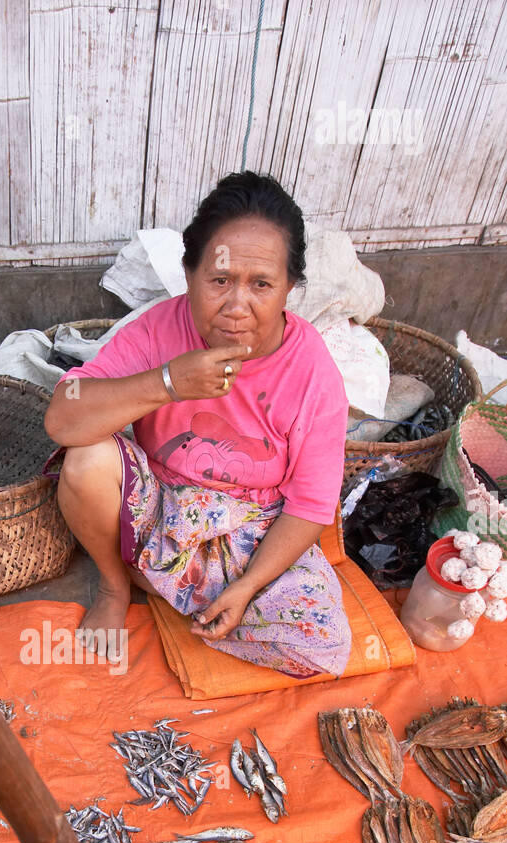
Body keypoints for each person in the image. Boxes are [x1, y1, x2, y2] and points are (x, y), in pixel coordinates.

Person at [43, 171, 352, 679]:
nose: (236, 307)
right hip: (157, 505)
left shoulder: (313, 372)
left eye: (261, 285)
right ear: (189, 275)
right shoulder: (159, 328)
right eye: (220, 280)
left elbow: (312, 506)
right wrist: (167, 382)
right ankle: (118, 584)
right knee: (86, 458)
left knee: (319, 645)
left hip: (249, 531)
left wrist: (246, 587)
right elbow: (64, 416)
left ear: (289, 289)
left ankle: (167, 582)